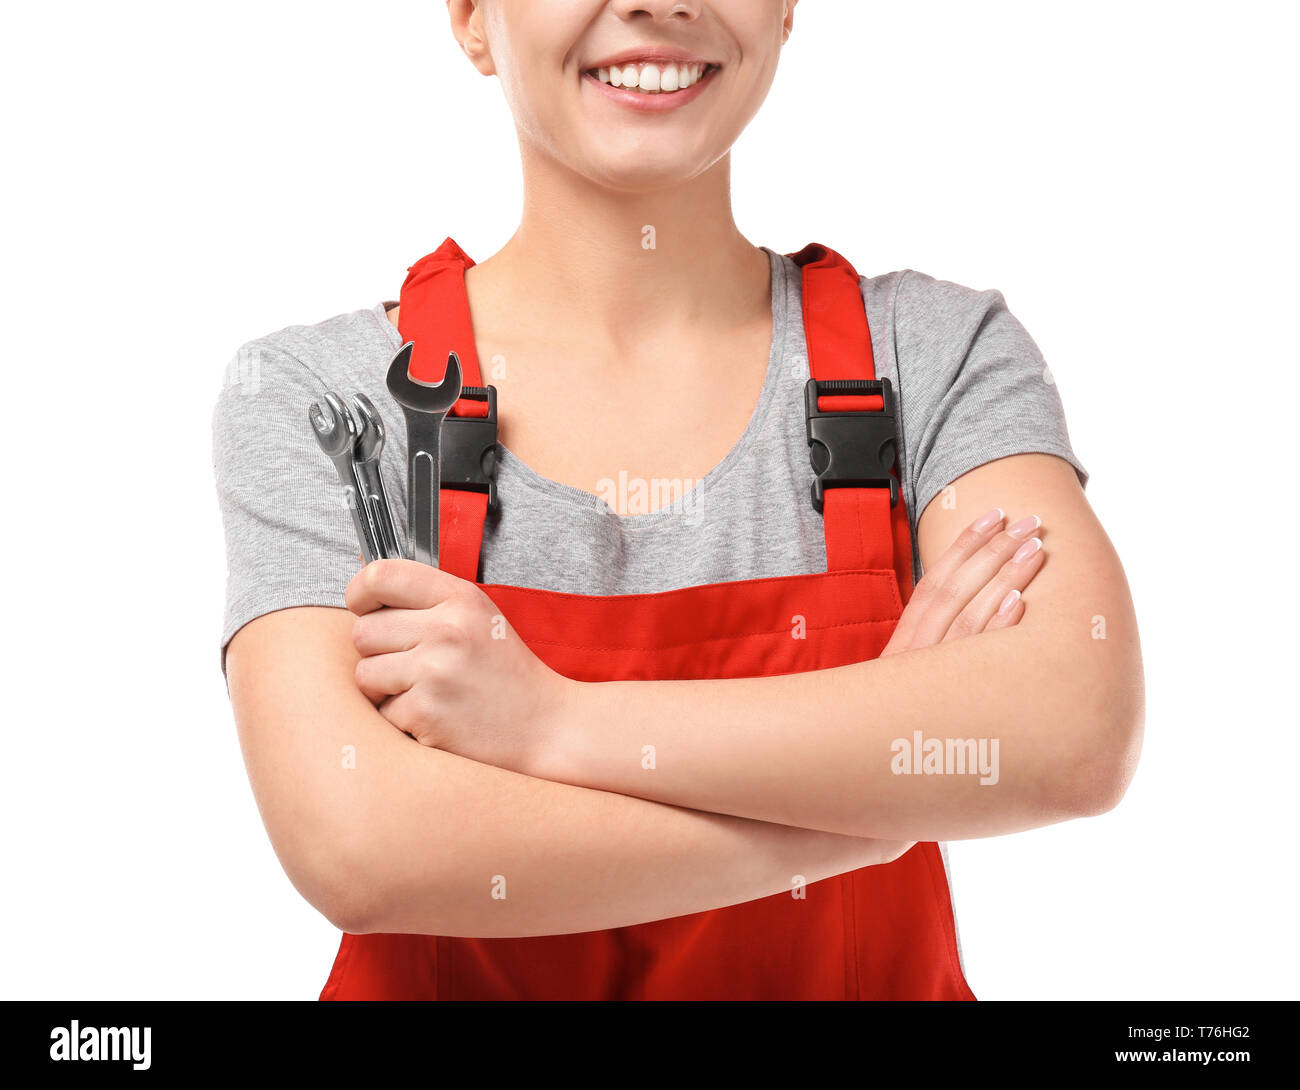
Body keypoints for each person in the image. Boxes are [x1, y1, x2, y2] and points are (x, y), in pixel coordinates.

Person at [212, 0, 1143, 1000]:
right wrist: (866, 820)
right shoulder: (326, 393)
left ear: (786, 10)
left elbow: (1071, 728)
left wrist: (549, 724)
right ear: (474, 19)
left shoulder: (935, 357)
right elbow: (360, 846)